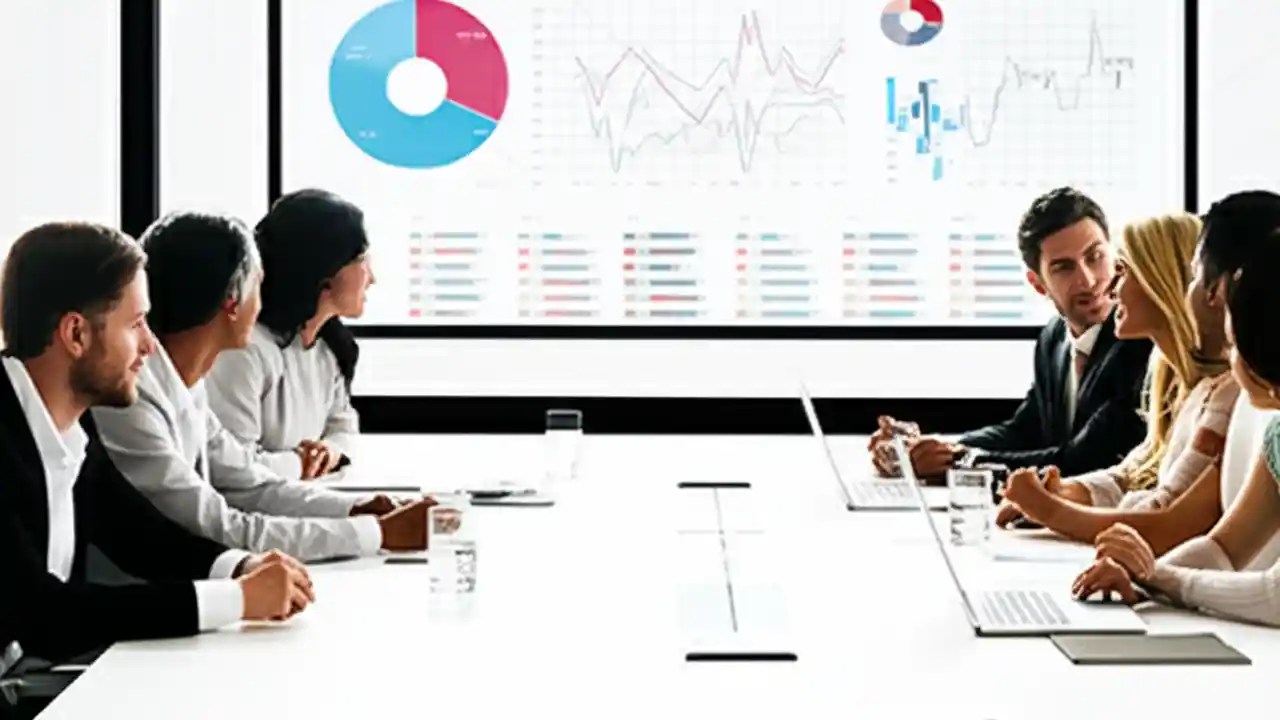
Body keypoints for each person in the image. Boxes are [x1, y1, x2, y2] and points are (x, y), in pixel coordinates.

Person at [0, 222, 313, 680]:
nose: (150, 345)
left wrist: (238, 566)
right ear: (76, 334)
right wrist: (239, 600)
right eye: (136, 324)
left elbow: (137, 534)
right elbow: (46, 616)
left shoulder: (69, 424)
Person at [89, 212, 430, 563]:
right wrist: (379, 533)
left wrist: (356, 509)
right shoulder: (131, 395)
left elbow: (253, 485)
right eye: (258, 286)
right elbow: (219, 528)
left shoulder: (185, 381)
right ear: (232, 303)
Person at [1071, 224, 1280, 625]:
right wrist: (1141, 577)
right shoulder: (1276, 434)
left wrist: (1157, 574)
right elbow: (1221, 549)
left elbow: (1273, 595)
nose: (1227, 357)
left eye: (1234, 346)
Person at [868, 187, 1152, 479]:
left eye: (1095, 256)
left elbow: (1086, 460)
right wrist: (933, 448)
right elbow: (1025, 430)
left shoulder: (1139, 340)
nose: (1088, 279)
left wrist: (961, 461)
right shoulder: (1053, 339)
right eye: (1064, 267)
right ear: (1038, 284)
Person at [997, 213, 1239, 554]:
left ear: (1161, 282)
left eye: (1122, 271)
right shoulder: (1176, 381)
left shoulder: (1223, 392)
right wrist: (1066, 492)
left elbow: (1165, 516)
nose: (1109, 286)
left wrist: (1051, 509)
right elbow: (1130, 475)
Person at [206, 190, 373, 480]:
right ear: (324, 269)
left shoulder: (327, 345)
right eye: (361, 258)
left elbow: (343, 424)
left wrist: (329, 452)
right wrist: (300, 463)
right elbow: (232, 470)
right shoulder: (246, 349)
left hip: (301, 504)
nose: (372, 276)